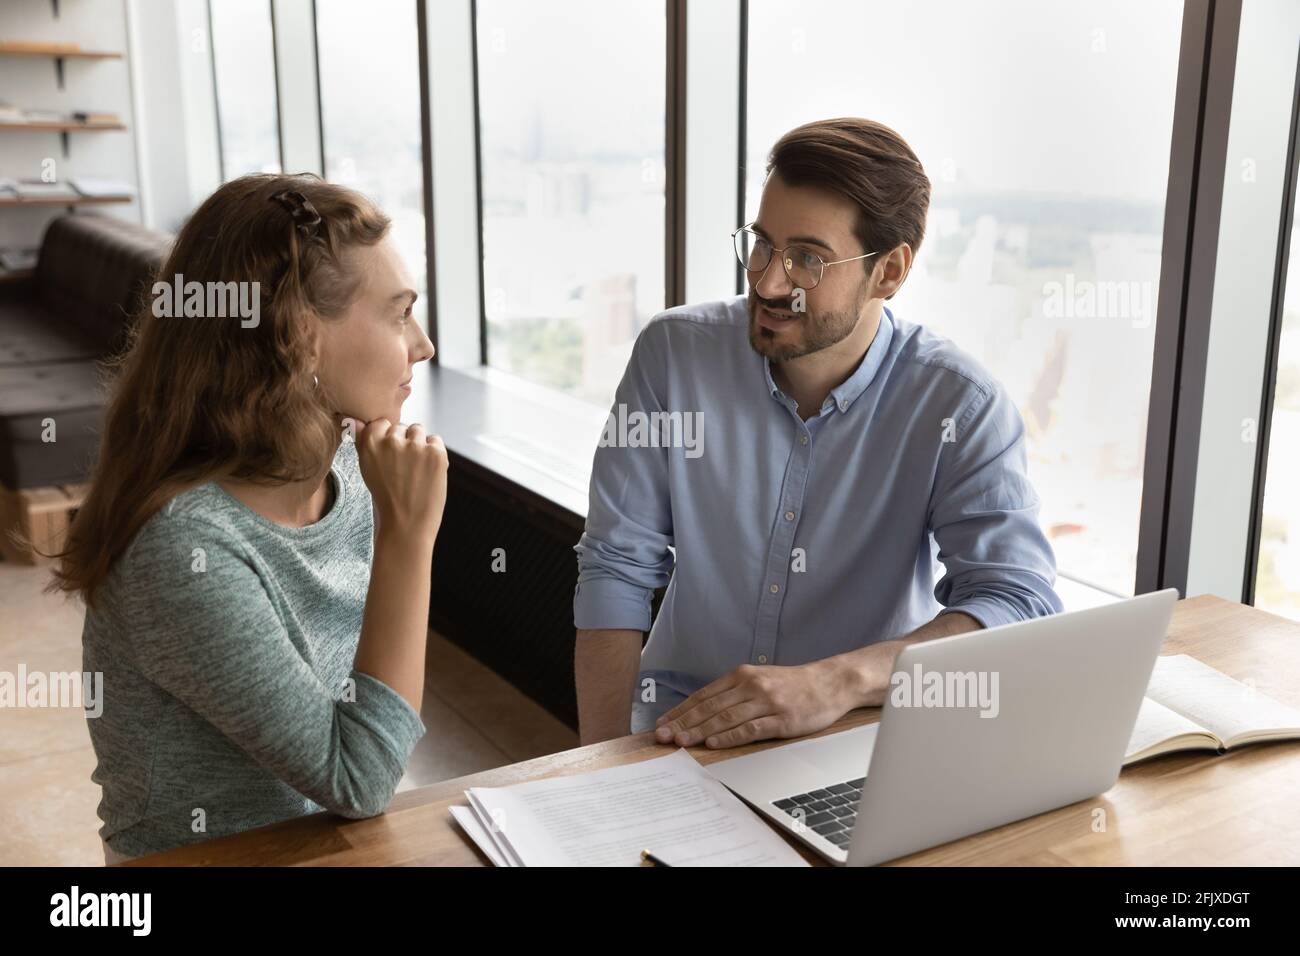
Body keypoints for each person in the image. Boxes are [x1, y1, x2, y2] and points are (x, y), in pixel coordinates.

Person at [573, 118, 1063, 749]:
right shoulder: (674, 354)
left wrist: (836, 682)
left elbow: (1017, 601)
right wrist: (599, 768)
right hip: (680, 725)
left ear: (888, 273)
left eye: (808, 258)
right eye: (762, 243)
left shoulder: (958, 404)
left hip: (859, 735)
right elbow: (616, 566)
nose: (768, 281)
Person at [49, 173, 446, 862]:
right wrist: (409, 540)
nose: (421, 344)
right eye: (397, 313)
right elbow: (359, 778)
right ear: (300, 334)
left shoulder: (347, 468)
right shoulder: (182, 550)